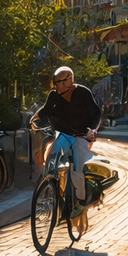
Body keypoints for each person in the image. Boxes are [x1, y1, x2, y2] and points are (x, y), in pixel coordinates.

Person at [30, 66, 101, 215]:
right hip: (62, 135)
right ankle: (50, 187)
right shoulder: (54, 96)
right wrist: (35, 119)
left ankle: (81, 201)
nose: (56, 86)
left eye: (59, 82)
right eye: (55, 83)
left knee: (77, 166)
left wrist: (93, 130)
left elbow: (95, 113)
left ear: (69, 80)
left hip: (80, 136)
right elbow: (45, 110)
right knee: (51, 157)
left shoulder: (83, 93)